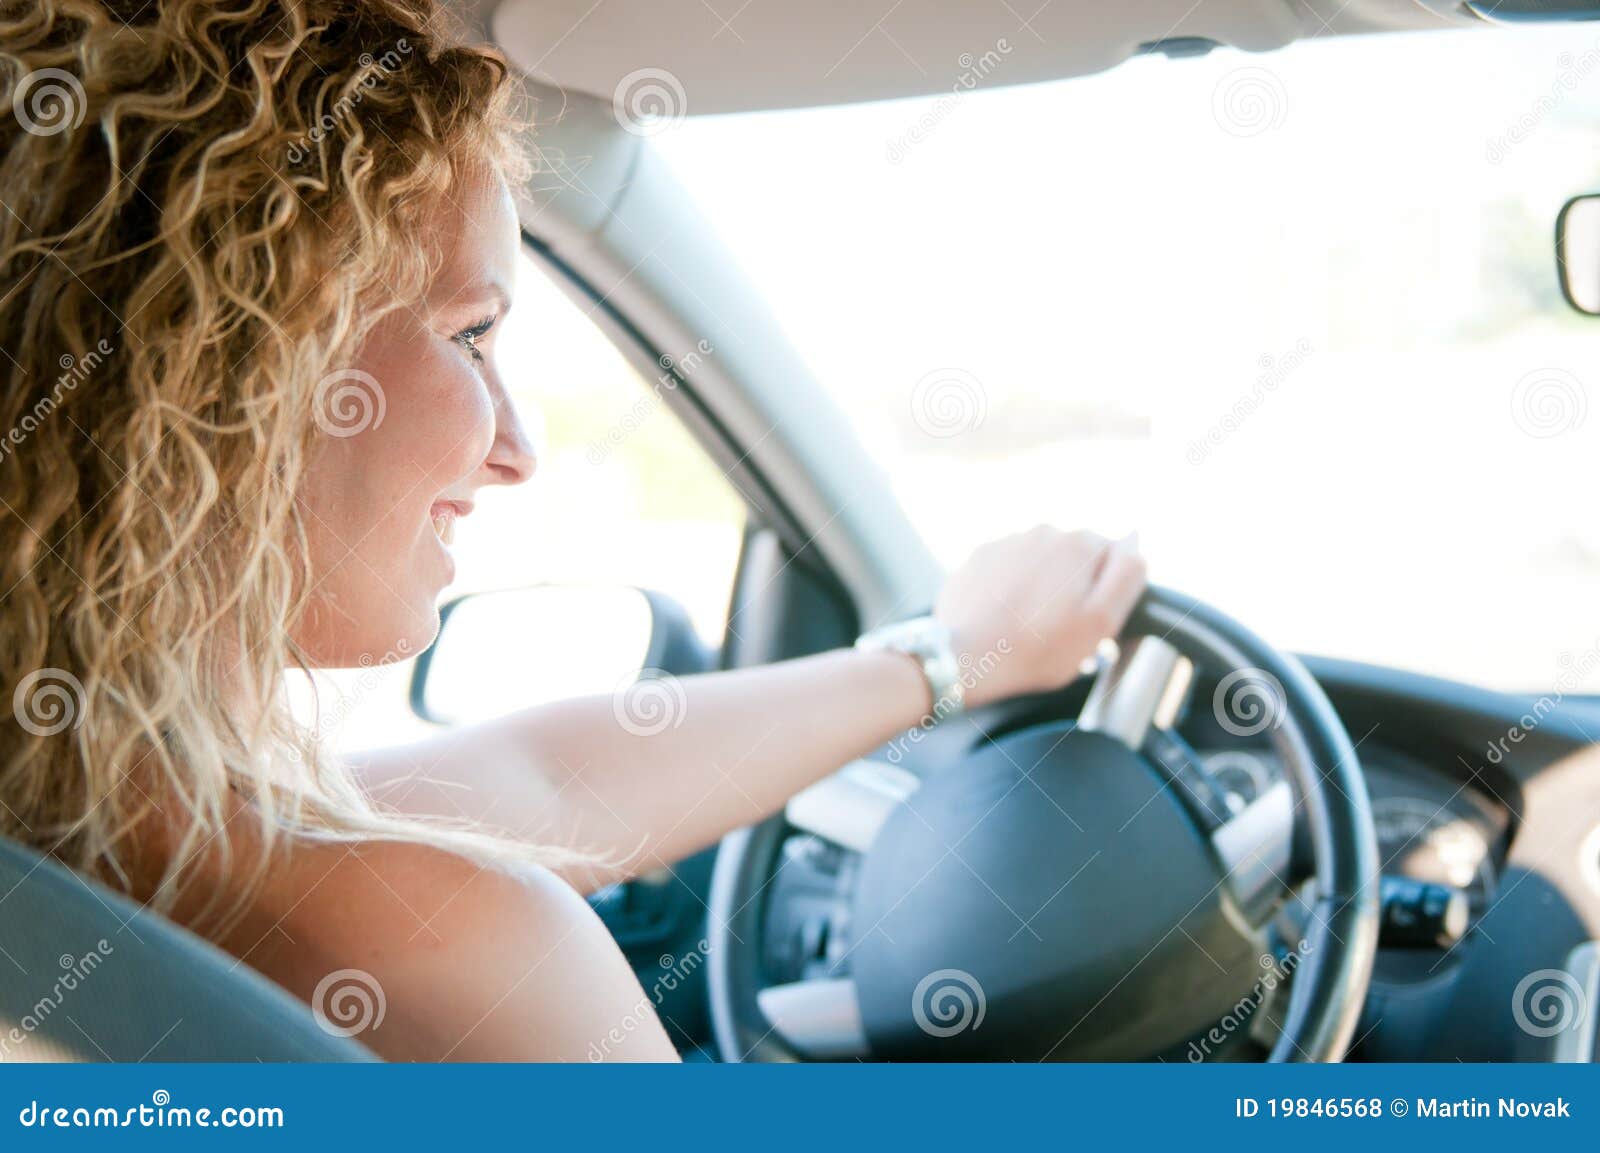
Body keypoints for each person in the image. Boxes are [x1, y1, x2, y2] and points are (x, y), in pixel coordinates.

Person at [0, 0, 1146, 1061]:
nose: (515, 446)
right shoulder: (467, 952)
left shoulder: (80, 828)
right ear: (238, 368)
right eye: (471, 337)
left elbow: (538, 783)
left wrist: (943, 656)